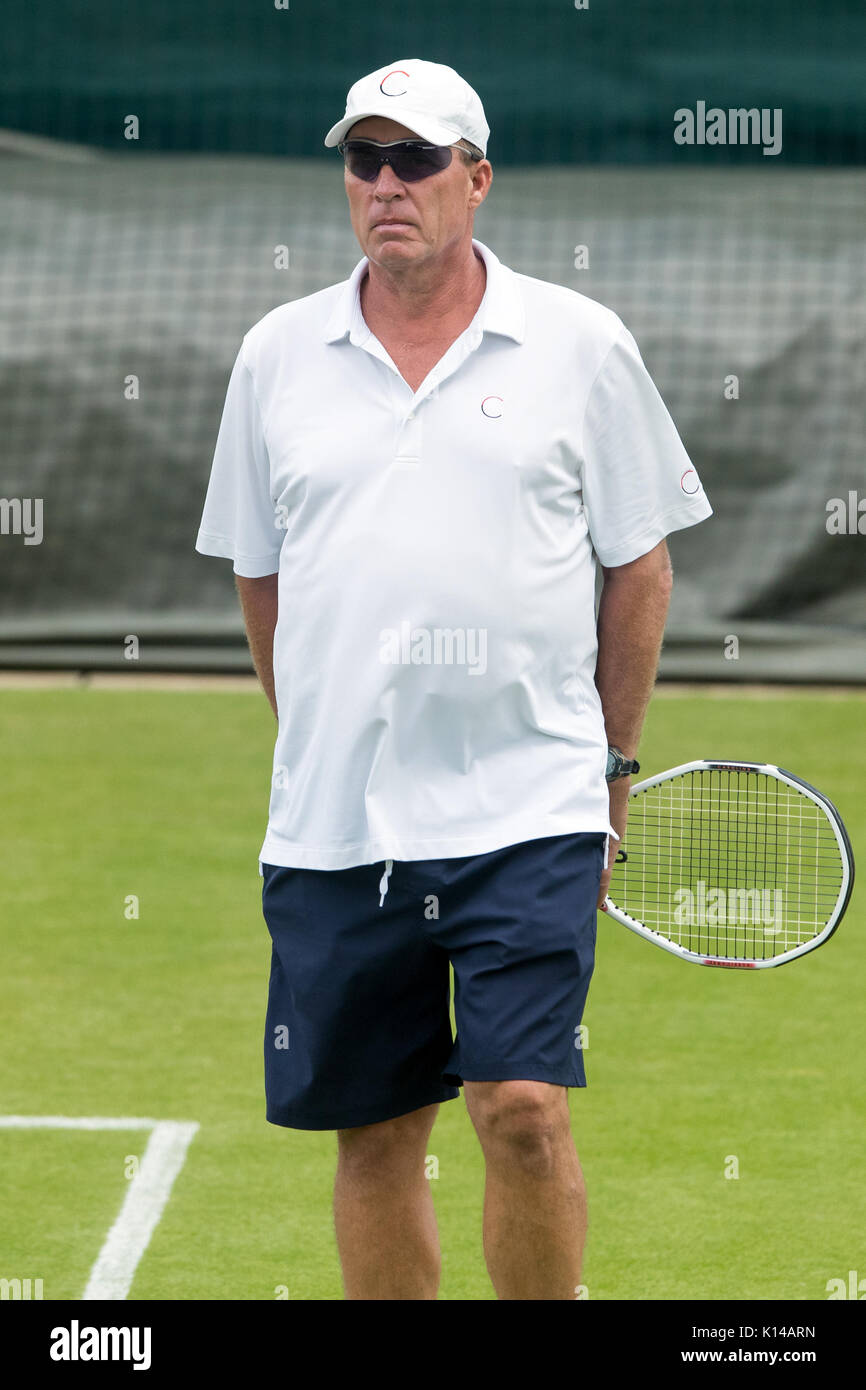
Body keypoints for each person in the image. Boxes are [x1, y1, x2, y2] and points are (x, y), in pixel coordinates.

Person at [195, 57, 712, 1300]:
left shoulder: (581, 345)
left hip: (528, 806)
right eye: (363, 159)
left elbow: (639, 566)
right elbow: (260, 577)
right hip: (335, 828)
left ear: (475, 180)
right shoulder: (276, 354)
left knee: (521, 1106)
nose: (385, 183)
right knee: (377, 1133)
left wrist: (609, 766)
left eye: (415, 159)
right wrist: (317, 733)